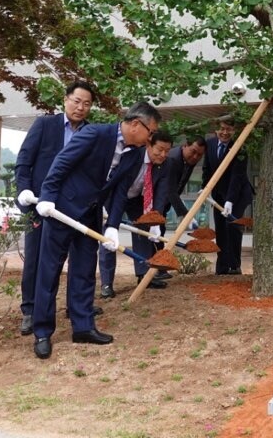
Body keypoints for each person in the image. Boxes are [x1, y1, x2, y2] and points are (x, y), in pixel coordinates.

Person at [30, 102, 162, 359]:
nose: (151, 138)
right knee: (49, 271)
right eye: (151, 131)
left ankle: (83, 326)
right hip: (62, 209)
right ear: (136, 124)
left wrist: (112, 226)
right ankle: (42, 332)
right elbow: (61, 163)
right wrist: (47, 197)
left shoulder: (135, 153)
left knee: (85, 270)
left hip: (90, 215)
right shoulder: (94, 134)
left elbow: (121, 191)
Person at [14, 81, 100, 337]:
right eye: (76, 101)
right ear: (65, 100)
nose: (80, 107)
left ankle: (77, 309)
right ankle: (30, 310)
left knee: (80, 260)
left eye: (86, 104)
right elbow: (24, 162)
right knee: (36, 259)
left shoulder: (91, 132)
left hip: (76, 207)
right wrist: (24, 192)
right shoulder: (45, 125)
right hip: (41, 205)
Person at [99, 130, 174, 295]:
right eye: (160, 150)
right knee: (109, 235)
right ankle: (106, 283)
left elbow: (161, 193)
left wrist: (156, 220)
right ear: (149, 145)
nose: (163, 154)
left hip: (136, 199)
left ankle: (144, 275)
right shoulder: (133, 155)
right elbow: (113, 179)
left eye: (167, 151)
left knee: (143, 231)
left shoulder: (166, 164)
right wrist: (102, 202)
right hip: (114, 196)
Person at [202, 118, 252, 275]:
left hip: (238, 194)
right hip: (218, 194)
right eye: (222, 129)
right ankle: (222, 266)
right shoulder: (210, 144)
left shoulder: (240, 147)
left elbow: (237, 176)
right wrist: (204, 189)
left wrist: (230, 200)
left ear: (234, 131)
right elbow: (207, 169)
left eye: (229, 129)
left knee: (232, 226)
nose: (225, 133)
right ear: (216, 130)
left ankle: (234, 266)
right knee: (221, 229)